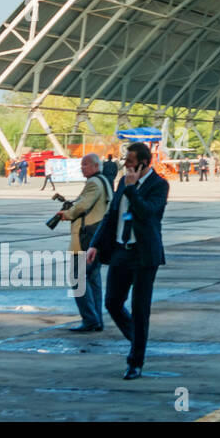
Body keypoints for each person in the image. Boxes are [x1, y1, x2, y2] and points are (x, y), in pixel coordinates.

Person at [86, 141, 169, 380]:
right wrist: (95, 245)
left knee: (140, 309)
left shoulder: (159, 185)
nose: (125, 165)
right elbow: (111, 215)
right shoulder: (122, 182)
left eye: (130, 161)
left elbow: (147, 213)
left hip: (144, 255)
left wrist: (133, 189)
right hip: (122, 251)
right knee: (112, 302)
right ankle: (137, 338)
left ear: (143, 163)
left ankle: (135, 361)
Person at [54, 153, 111, 332]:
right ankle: (97, 320)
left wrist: (67, 214)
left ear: (95, 166)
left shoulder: (94, 183)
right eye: (81, 164)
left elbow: (83, 206)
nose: (82, 167)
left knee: (77, 278)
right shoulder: (103, 181)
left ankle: (90, 319)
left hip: (86, 240)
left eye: (85, 164)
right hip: (97, 238)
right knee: (93, 280)